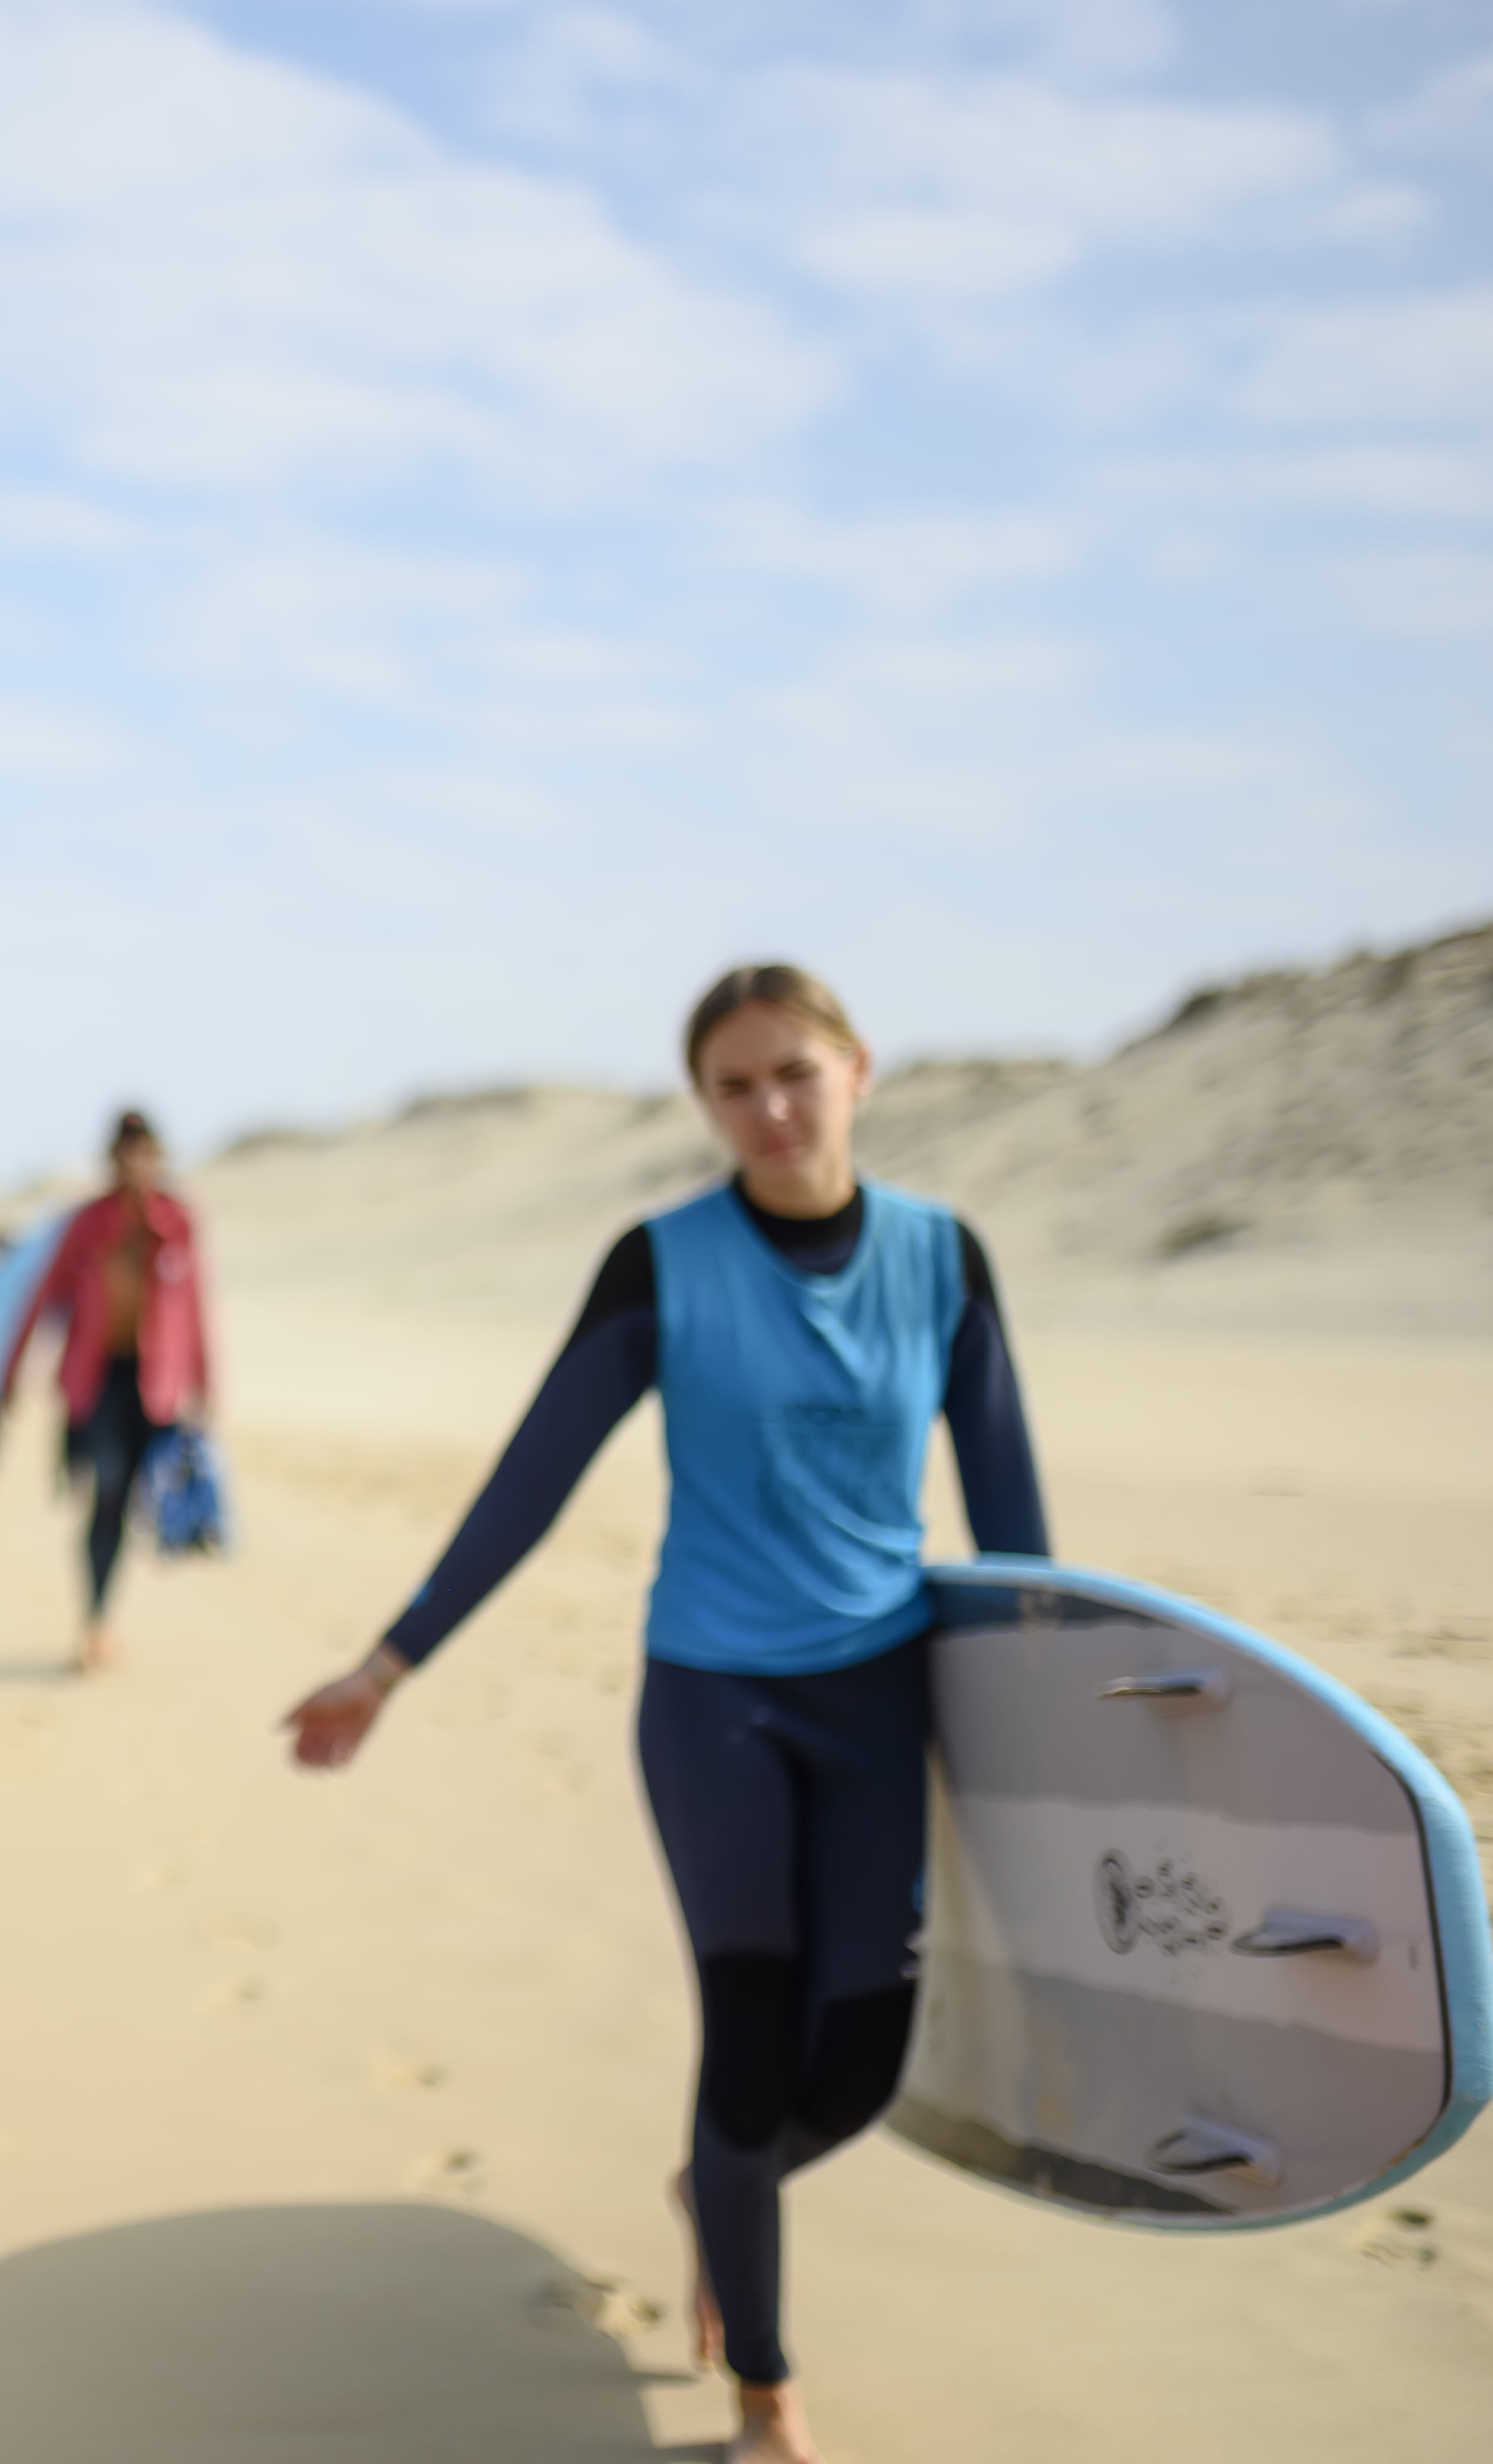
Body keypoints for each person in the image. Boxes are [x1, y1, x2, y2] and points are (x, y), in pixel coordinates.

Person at [280, 966, 1048, 2464]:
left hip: (878, 1694)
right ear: (704, 1103)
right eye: (732, 1085)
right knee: (749, 2048)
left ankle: (718, 2189)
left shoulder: (942, 1259)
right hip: (716, 1700)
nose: (769, 1108)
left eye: (794, 1073)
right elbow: (532, 1478)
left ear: (857, 1070)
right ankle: (764, 2391)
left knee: (860, 2063)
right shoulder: (661, 1264)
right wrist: (388, 1662)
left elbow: (1014, 1524)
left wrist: (1064, 1743)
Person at [0, 1109, 209, 1674]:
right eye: (125, 1154)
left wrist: (204, 1385)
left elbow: (196, 1307)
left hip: (155, 1387)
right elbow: (42, 1299)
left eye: (146, 1153)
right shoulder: (88, 1224)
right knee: (107, 1491)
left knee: (135, 1502)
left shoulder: (178, 1222)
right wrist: (10, 1373)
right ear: (111, 1160)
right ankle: (94, 1623)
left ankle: (103, 1618)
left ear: (159, 1158)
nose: (136, 1164)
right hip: (95, 1384)